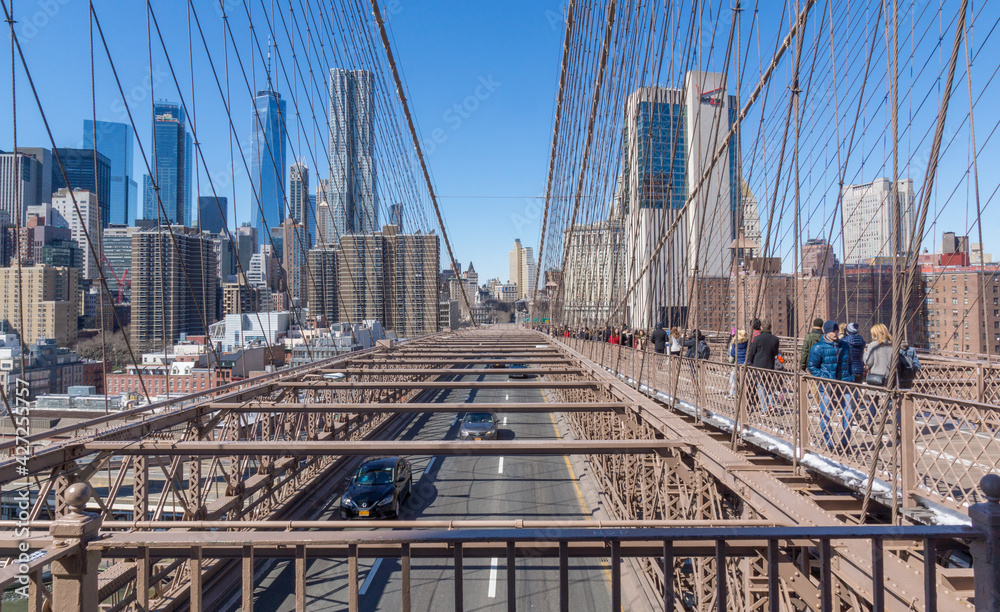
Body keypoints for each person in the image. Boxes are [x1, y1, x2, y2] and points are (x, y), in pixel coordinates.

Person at [808, 320, 854, 449]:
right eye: (832, 331)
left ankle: (845, 442)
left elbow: (850, 363)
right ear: (826, 332)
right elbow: (812, 366)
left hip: (844, 384)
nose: (835, 333)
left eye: (836, 331)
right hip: (826, 386)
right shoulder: (818, 347)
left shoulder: (845, 346)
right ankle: (829, 442)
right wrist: (825, 377)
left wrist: (850, 377)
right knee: (826, 414)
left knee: (849, 413)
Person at [746, 320, 782, 410]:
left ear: (762, 327)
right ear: (770, 328)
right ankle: (771, 404)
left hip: (758, 365)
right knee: (768, 385)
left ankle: (764, 408)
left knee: (761, 386)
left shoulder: (757, 338)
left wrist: (752, 361)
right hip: (770, 365)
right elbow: (775, 352)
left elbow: (752, 352)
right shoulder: (775, 339)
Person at [728, 329, 749, 399]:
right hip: (746, 365)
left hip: (737, 367)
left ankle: (734, 394)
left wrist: (730, 359)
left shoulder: (735, 345)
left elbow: (732, 356)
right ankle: (746, 395)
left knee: (735, 380)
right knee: (746, 381)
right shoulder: (748, 344)